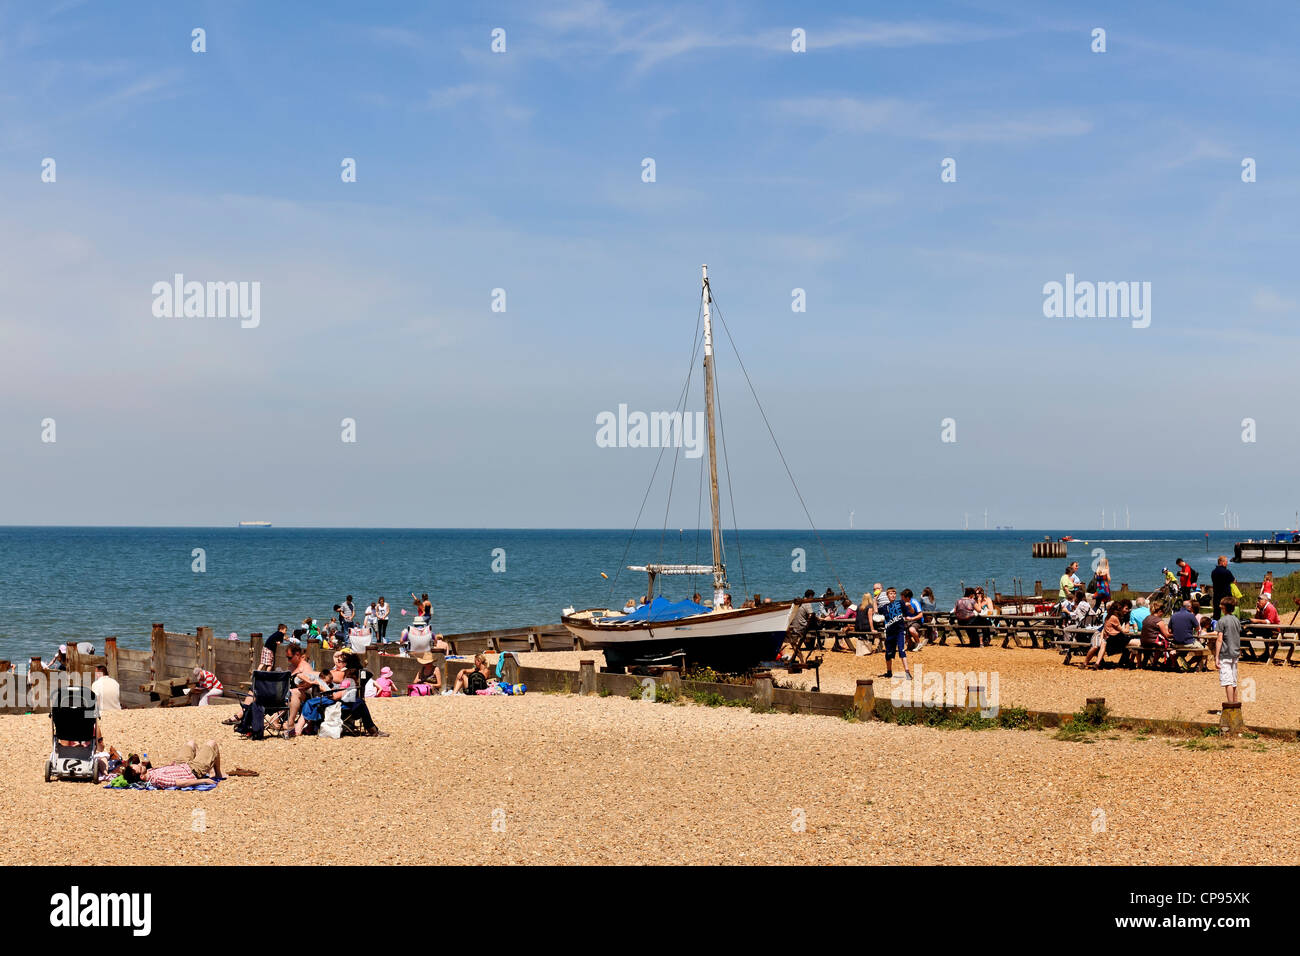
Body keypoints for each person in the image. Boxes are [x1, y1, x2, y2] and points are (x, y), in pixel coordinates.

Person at [123, 740, 223, 788]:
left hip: (179, 765)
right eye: (140, 767)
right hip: (193, 770)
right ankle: (218, 773)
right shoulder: (158, 779)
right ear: (141, 776)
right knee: (212, 744)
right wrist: (203, 780)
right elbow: (181, 783)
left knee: (191, 744)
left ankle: (209, 767)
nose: (141, 765)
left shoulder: (148, 773)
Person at [1212, 597, 1243, 704]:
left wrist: (1216, 657)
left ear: (1224, 607)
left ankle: (1230, 706)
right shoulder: (1236, 620)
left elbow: (1219, 639)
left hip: (1225, 654)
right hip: (1235, 653)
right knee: (1234, 681)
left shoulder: (1222, 621)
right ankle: (1235, 704)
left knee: (1227, 681)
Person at [878, 587, 913, 680]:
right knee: (888, 653)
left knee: (902, 650)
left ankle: (907, 672)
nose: (893, 595)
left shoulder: (900, 603)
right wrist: (875, 599)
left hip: (900, 631)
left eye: (894, 593)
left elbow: (911, 612)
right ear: (887, 595)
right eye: (890, 594)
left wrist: (909, 606)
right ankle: (889, 672)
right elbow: (875, 610)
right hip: (889, 633)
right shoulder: (885, 607)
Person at [1085, 600, 1129, 669]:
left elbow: (1107, 628)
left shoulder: (1110, 616)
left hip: (1106, 635)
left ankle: (1097, 663)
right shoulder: (1114, 617)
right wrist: (1127, 624)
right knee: (1096, 646)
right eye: (1125, 608)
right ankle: (1086, 663)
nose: (1127, 610)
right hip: (1100, 633)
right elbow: (1124, 630)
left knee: (1103, 644)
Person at [786, 590, 820, 657]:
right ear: (810, 596)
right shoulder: (807, 603)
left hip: (795, 625)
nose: (812, 598)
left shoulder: (799, 602)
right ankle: (817, 645)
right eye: (812, 597)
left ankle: (809, 644)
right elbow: (811, 615)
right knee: (819, 626)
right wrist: (819, 619)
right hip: (802, 626)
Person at [852, 591, 877, 656]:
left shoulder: (859, 606)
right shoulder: (869, 606)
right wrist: (872, 629)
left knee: (863, 635)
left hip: (858, 627)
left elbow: (859, 617)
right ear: (870, 598)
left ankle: (863, 649)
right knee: (878, 629)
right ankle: (868, 649)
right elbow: (870, 620)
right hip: (865, 627)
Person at [1210, 556, 1234, 621]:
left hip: (1217, 594)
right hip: (1226, 595)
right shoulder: (1227, 572)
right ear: (1222, 562)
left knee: (1216, 613)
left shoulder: (1213, 572)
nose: (1227, 563)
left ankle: (1216, 625)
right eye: (1226, 562)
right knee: (1228, 611)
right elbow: (1233, 580)